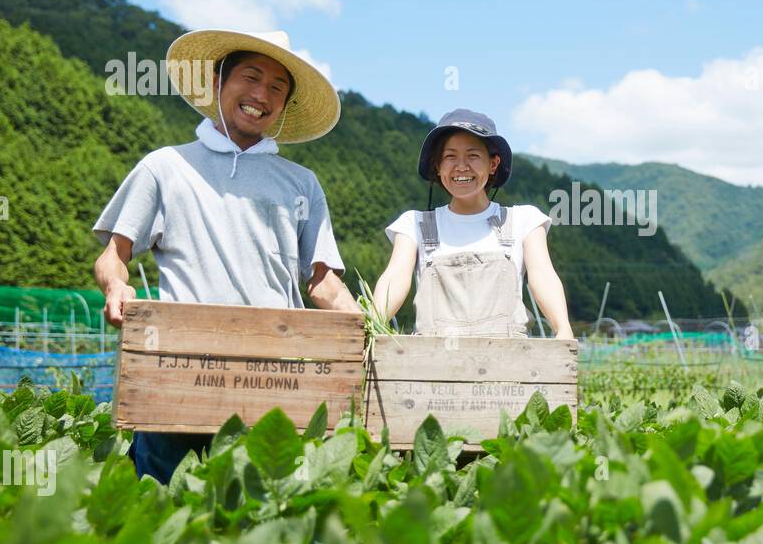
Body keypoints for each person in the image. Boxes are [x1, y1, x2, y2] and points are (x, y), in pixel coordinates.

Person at [93, 29, 359, 484]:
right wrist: (117, 286)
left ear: (285, 105)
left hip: (276, 375)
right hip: (179, 370)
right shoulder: (166, 167)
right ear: (217, 82)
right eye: (251, 77)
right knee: (162, 514)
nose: (261, 95)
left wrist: (366, 330)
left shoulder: (301, 183)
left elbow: (323, 283)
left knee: (264, 523)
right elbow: (112, 256)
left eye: (277, 88)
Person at [374, 109, 573, 339]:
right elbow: (395, 276)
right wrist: (374, 321)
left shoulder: (524, 220)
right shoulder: (414, 224)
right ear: (437, 166)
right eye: (449, 157)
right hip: (432, 368)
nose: (461, 167)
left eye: (473, 156)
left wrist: (563, 328)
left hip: (509, 366)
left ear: (493, 164)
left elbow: (543, 276)